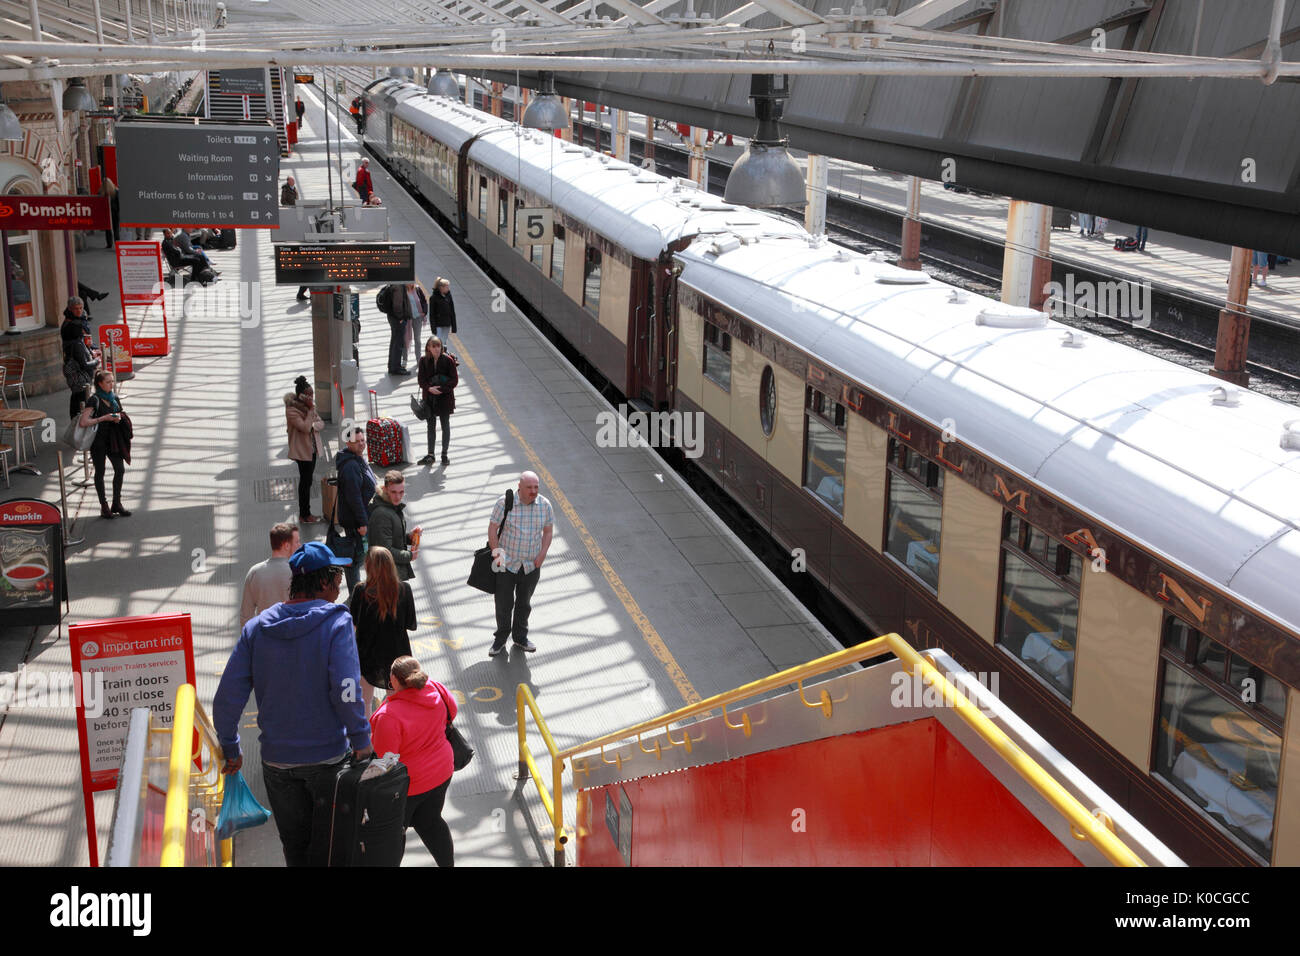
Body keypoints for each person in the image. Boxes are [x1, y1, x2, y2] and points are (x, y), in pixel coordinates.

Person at [214, 541, 372, 868]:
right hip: (329, 760)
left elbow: (227, 697)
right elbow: (346, 689)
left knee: (295, 847)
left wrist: (231, 747)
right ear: (323, 581)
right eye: (337, 577)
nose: (340, 584)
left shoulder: (256, 629)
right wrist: (361, 739)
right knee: (333, 846)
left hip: (277, 763)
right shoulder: (336, 623)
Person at [369, 656, 456, 867]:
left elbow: (386, 759)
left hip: (408, 786)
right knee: (431, 822)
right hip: (442, 771)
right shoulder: (437, 689)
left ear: (393, 681)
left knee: (394, 833)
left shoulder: (389, 715)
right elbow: (452, 712)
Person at [487, 471, 554, 656]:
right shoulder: (504, 503)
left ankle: (520, 637)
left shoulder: (545, 505)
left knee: (524, 603)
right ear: (519, 487)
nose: (533, 491)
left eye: (536, 487)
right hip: (506, 564)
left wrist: (542, 554)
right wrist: (497, 554)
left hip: (531, 566)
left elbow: (548, 531)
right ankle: (500, 638)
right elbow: (493, 528)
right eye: (529, 487)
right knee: (503, 603)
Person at [349, 547, 415, 716]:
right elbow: (410, 624)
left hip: (366, 654)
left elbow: (353, 624)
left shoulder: (361, 590)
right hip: (396, 654)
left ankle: (367, 731)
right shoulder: (404, 589)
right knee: (395, 701)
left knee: (365, 701)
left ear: (368, 566)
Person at [79, 370, 132, 519]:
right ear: (100, 384)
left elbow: (120, 413)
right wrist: (104, 418)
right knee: (100, 472)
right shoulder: (94, 400)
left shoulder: (114, 397)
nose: (111, 384)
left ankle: (117, 503)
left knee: (120, 469)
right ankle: (104, 506)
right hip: (98, 441)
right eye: (108, 382)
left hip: (114, 440)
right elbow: (83, 422)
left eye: (112, 381)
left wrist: (118, 418)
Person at [335, 424, 376, 593]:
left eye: (363, 440)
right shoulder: (351, 466)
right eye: (357, 441)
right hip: (355, 521)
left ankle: (356, 590)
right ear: (348, 443)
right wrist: (362, 522)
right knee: (356, 557)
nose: (361, 444)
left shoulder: (358, 459)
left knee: (357, 555)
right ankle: (355, 592)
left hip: (357, 517)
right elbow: (354, 498)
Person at [240, 522, 299, 626]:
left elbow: (246, 615)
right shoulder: (298, 573)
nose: (300, 545)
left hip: (264, 632)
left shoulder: (254, 572)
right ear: (286, 545)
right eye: (297, 542)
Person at [285, 375, 325, 523]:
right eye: (308, 395)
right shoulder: (292, 411)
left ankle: (306, 513)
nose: (311, 398)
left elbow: (320, 423)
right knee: (305, 483)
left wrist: (313, 424)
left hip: (312, 450)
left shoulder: (308, 408)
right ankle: (305, 514)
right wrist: (310, 412)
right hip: (302, 453)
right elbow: (305, 427)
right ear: (301, 396)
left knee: (307, 481)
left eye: (312, 394)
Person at [368, 470, 419, 583]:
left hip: (390, 572)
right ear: (385, 489)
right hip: (386, 575)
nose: (398, 496)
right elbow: (386, 551)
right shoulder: (382, 514)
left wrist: (409, 537)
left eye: (401, 492)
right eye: (394, 492)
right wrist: (409, 556)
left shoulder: (390, 507)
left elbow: (390, 537)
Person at [417, 336, 457, 466]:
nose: (436, 349)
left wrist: (441, 389)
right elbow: (421, 380)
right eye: (433, 346)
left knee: (445, 425)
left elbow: (454, 380)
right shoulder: (423, 361)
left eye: (438, 346)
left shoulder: (448, 360)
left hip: (444, 398)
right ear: (428, 348)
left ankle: (444, 454)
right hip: (430, 399)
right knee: (431, 426)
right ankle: (431, 454)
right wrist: (429, 388)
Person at [391, 281, 427, 371]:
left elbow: (424, 301)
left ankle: (419, 359)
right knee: (405, 340)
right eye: (409, 282)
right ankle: (404, 359)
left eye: (412, 282)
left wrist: (424, 311)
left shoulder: (417, 289)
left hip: (417, 317)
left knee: (417, 339)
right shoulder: (402, 292)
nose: (411, 283)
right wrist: (401, 317)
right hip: (407, 319)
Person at [380, 282, 411, 376]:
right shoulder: (398, 287)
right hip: (397, 319)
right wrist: (400, 317)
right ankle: (396, 368)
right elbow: (397, 305)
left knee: (394, 342)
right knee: (398, 344)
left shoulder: (394, 285)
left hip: (392, 317)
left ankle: (392, 366)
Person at [430, 277, 456, 343]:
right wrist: (433, 329)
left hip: (447, 323)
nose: (448, 289)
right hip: (438, 324)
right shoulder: (433, 298)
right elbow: (432, 314)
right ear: (441, 288)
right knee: (439, 342)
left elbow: (452, 311)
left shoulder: (448, 296)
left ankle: (443, 349)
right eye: (447, 287)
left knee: (444, 342)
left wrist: (454, 327)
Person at [100, 176, 120, 248]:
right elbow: (118, 203)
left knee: (108, 229)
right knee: (116, 228)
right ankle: (117, 242)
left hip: (106, 213)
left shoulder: (101, 192)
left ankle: (109, 243)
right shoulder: (115, 191)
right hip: (115, 213)